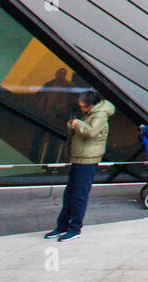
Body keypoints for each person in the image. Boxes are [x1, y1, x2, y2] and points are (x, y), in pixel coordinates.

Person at [44, 90, 114, 242]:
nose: (81, 109)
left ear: (92, 105)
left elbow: (91, 132)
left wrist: (77, 123)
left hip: (88, 159)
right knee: (69, 194)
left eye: (83, 107)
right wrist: (74, 123)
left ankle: (75, 228)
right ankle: (62, 226)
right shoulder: (91, 113)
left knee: (78, 195)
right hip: (79, 157)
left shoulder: (100, 115)